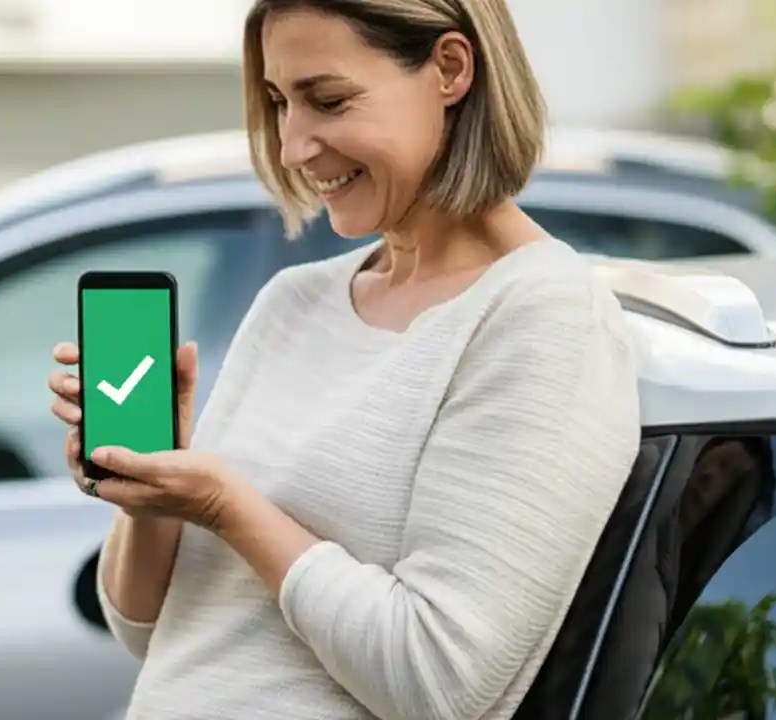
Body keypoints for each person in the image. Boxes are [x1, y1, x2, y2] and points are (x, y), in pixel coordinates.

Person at [46, 1, 641, 718]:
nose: (292, 147)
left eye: (327, 100)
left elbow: (439, 679)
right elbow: (148, 630)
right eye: (279, 103)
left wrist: (227, 506)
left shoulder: (541, 315)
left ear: (450, 69)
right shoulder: (294, 302)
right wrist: (153, 495)